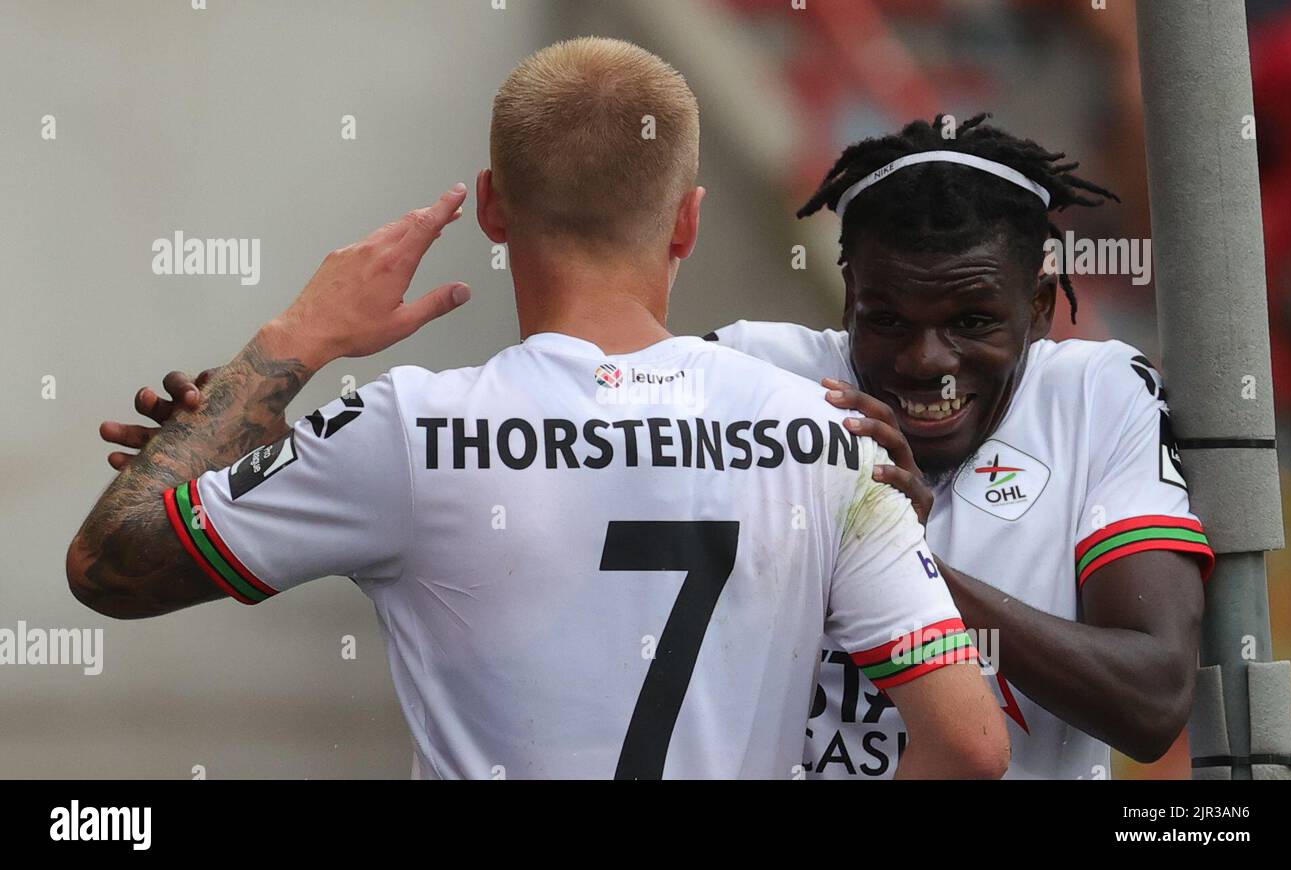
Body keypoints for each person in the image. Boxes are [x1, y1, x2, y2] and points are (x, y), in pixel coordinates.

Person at [68, 39, 1008, 780]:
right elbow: (969, 745)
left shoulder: (408, 429)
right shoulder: (827, 431)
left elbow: (109, 565)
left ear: (490, 209)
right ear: (689, 217)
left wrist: (298, 340)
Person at [704, 115, 1214, 779]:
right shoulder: (750, 374)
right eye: (887, 320)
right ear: (851, 296)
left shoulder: (1098, 396)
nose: (928, 362)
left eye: (971, 321)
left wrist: (894, 552)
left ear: (1037, 305)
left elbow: (1151, 701)